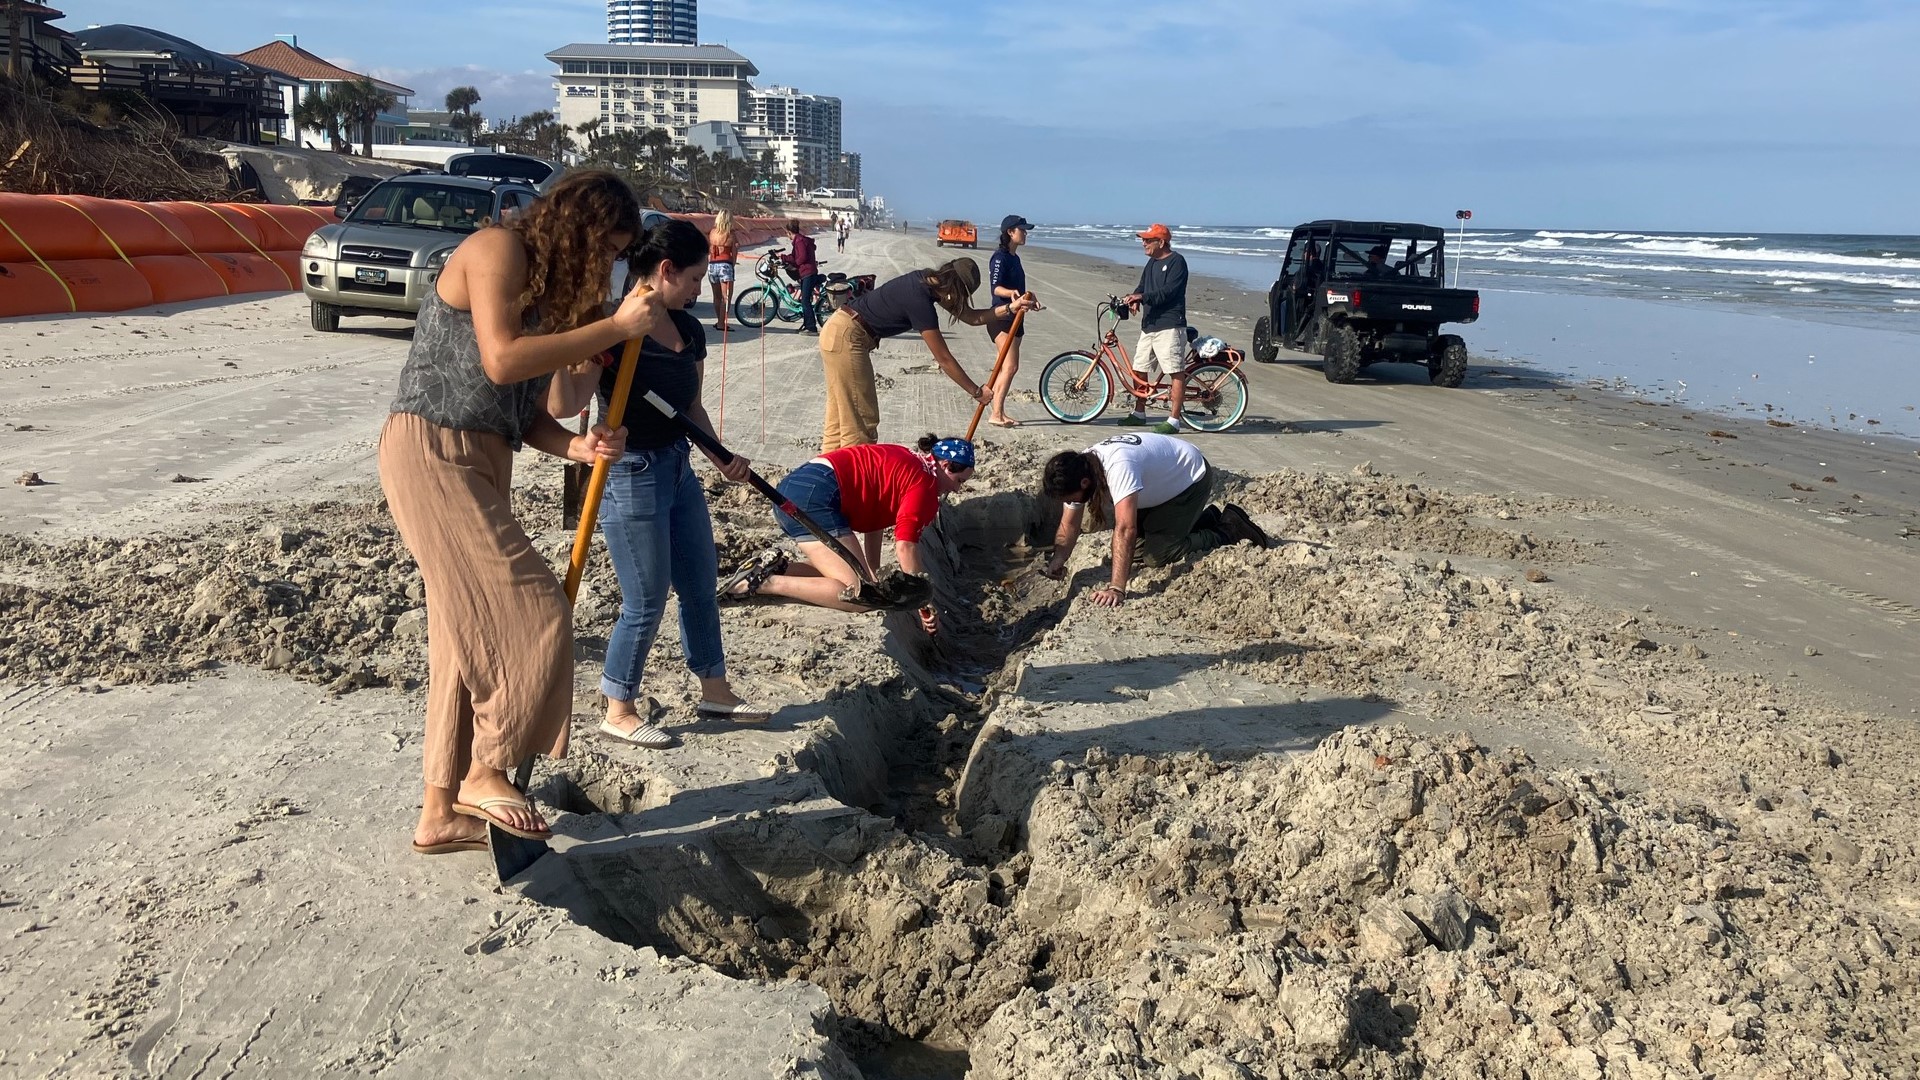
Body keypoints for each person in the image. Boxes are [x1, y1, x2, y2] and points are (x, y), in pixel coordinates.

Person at [380, 170, 659, 853]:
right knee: (536, 608)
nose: (607, 264)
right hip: (430, 447)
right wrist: (615, 322)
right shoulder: (496, 250)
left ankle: (440, 813)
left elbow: (540, 411)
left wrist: (580, 445)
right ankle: (486, 767)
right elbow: (502, 362)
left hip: (485, 456)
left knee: (459, 640)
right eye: (607, 247)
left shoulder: (550, 295)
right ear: (579, 227)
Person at [595, 219, 763, 749]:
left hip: (677, 464)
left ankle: (715, 689)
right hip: (630, 473)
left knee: (697, 584)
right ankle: (618, 707)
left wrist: (720, 456)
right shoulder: (613, 328)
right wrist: (607, 334)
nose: (699, 289)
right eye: (694, 278)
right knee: (645, 598)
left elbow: (690, 406)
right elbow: (566, 397)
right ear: (665, 270)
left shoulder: (688, 330)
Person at [721, 436, 975, 635]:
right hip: (817, 500)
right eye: (959, 480)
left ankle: (777, 569)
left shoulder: (910, 459)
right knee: (860, 597)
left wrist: (872, 571)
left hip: (797, 485)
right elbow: (906, 546)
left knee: (859, 578)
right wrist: (923, 600)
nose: (956, 488)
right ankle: (764, 583)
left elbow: (876, 515)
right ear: (944, 465)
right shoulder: (926, 486)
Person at [819, 257, 1035, 453]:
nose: (958, 303)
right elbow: (944, 359)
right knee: (861, 422)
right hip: (848, 338)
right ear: (953, 290)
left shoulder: (926, 281)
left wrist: (1010, 308)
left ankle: (825, 476)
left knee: (838, 419)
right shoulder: (919, 300)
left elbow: (971, 317)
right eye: (961, 296)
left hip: (839, 330)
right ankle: (852, 485)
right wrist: (976, 391)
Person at [1037, 433, 1268, 607]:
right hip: (1160, 486)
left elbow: (1126, 528)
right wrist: (1058, 559)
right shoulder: (1081, 468)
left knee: (1157, 555)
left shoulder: (1118, 468)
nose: (1072, 502)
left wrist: (1117, 588)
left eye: (1070, 498)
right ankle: (1206, 520)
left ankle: (1229, 531)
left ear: (1084, 484)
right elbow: (1070, 523)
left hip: (1189, 480)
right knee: (1135, 554)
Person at [1119, 223, 1191, 434]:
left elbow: (1168, 292)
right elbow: (1142, 287)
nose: (1143, 242)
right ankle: (1139, 413)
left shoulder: (1177, 262)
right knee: (1139, 367)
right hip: (1149, 324)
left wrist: (1143, 297)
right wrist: (1135, 297)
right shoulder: (1151, 263)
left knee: (1174, 371)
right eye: (1143, 239)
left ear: (1161, 242)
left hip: (1170, 325)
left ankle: (1174, 420)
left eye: (1148, 240)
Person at [984, 214, 1036, 428]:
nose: (1025, 233)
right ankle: (996, 413)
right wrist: (1011, 293)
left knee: (1004, 366)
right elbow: (995, 287)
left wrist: (1030, 300)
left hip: (1017, 317)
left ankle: (997, 410)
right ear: (1010, 232)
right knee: (1011, 366)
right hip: (1001, 316)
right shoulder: (1000, 258)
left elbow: (1020, 292)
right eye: (1021, 230)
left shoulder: (1015, 258)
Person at [779, 219, 823, 335]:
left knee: (805, 301)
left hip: (807, 273)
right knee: (805, 300)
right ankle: (807, 324)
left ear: (789, 232)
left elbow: (801, 258)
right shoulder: (800, 240)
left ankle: (811, 328)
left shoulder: (799, 241)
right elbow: (795, 256)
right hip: (808, 272)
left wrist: (794, 263)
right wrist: (784, 258)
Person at [706, 209, 739, 333]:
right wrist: (733, 265)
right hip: (725, 265)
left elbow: (710, 249)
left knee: (717, 297)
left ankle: (719, 320)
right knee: (726, 297)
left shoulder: (712, 233)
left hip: (712, 265)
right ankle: (721, 323)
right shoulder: (731, 234)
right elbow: (734, 253)